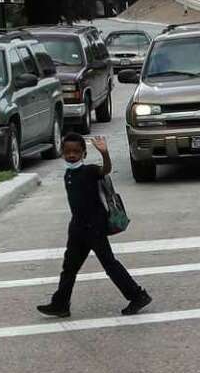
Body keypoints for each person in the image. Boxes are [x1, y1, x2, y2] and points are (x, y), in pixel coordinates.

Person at [38, 133, 152, 319]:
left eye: (76, 152)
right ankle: (60, 304)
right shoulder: (68, 174)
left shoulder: (89, 171)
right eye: (68, 152)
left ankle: (138, 295)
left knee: (109, 264)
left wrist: (104, 153)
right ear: (62, 153)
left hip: (94, 227)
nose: (72, 155)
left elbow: (105, 169)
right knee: (69, 267)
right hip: (77, 228)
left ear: (84, 153)